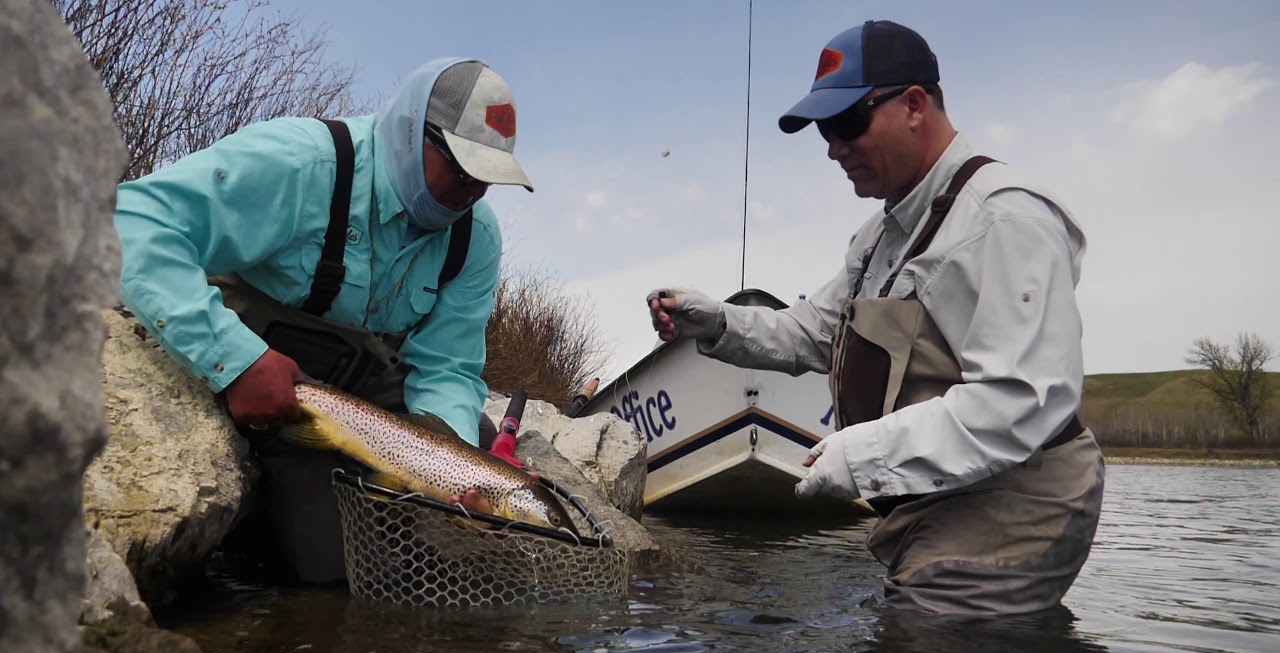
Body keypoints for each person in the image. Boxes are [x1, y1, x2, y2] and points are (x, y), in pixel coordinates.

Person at [647, 20, 1104, 615]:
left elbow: (1022, 399)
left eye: (846, 123)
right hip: (940, 497)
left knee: (921, 652)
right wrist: (717, 324)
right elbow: (812, 333)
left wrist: (861, 455)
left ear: (914, 105)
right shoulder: (877, 238)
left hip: (1018, 500)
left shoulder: (1005, 219)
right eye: (824, 131)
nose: (833, 148)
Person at [114, 57, 534, 582]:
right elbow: (133, 223)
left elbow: (448, 366)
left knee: (476, 470)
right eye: (461, 165)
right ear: (411, 133)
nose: (472, 189)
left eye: (488, 177)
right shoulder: (301, 163)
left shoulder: (477, 238)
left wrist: (448, 466)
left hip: (358, 394)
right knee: (337, 575)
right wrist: (234, 361)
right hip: (254, 366)